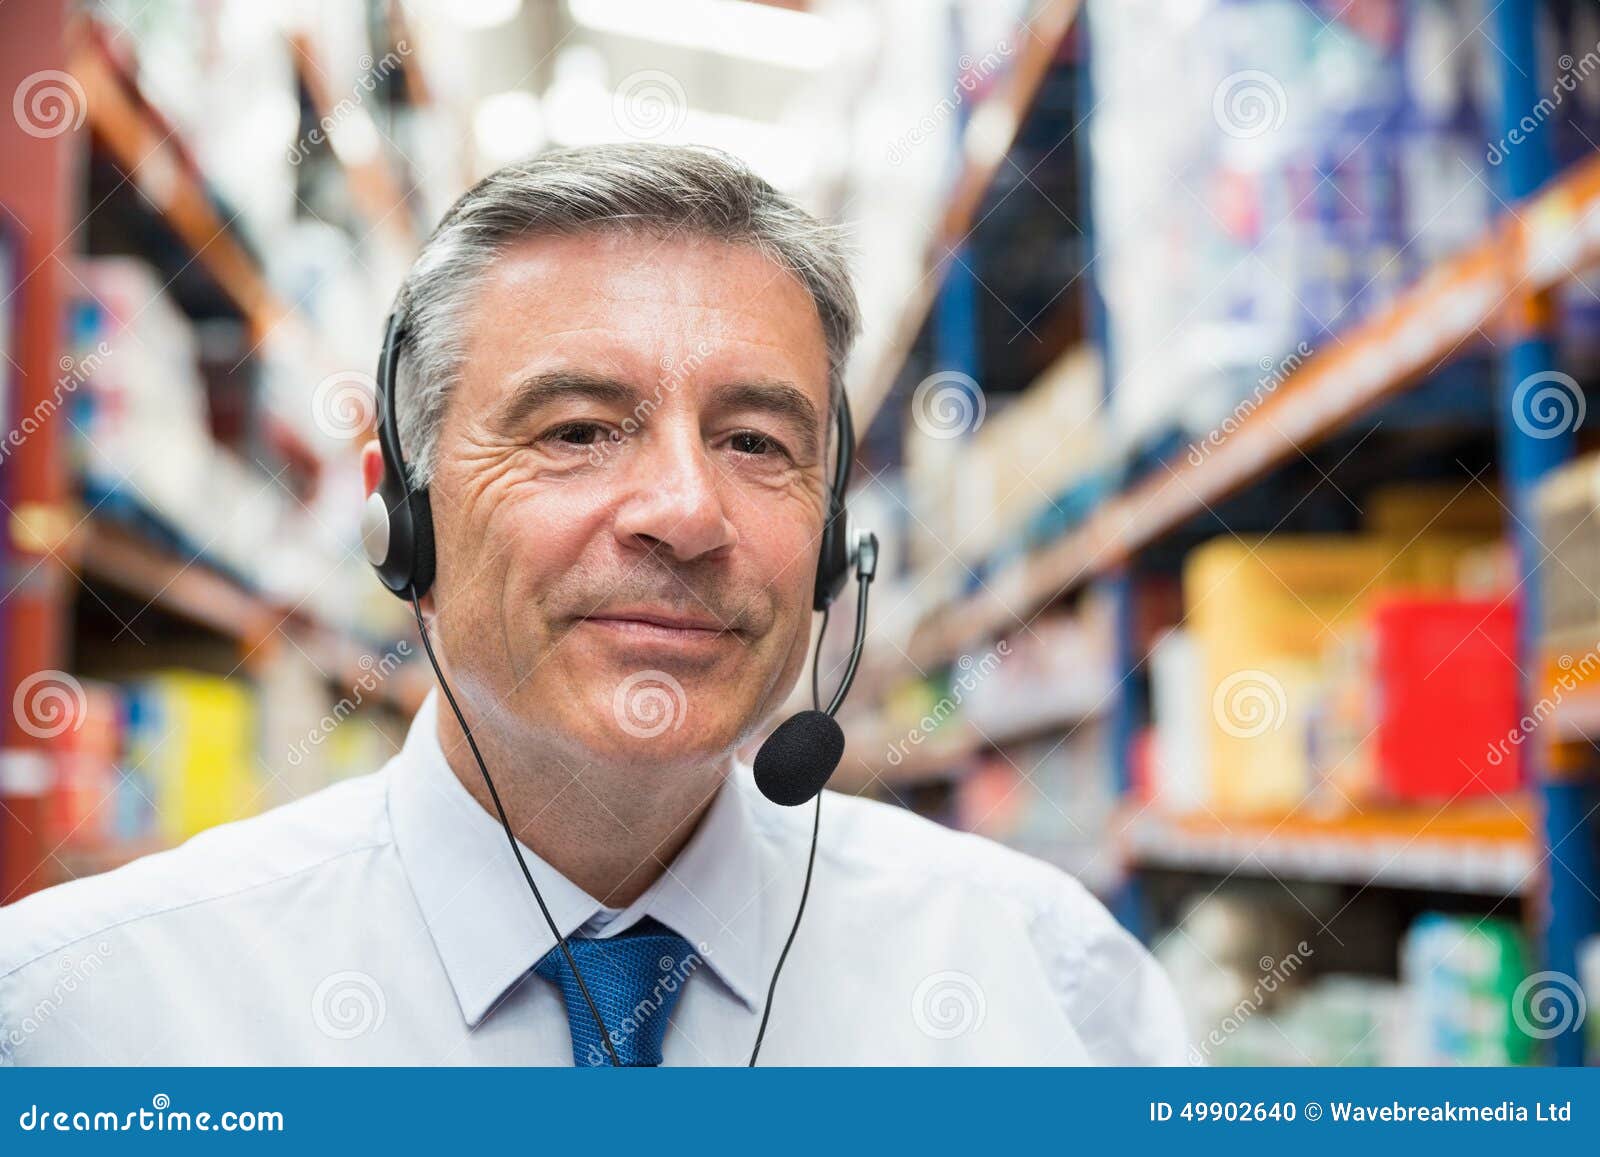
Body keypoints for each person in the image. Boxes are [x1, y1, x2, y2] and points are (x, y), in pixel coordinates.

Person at [0, 144, 1184, 1066]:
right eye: (575, 430)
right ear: (397, 516)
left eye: (756, 441)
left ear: (831, 547)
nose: (685, 508)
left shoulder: (1047, 982)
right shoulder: (87, 1011)